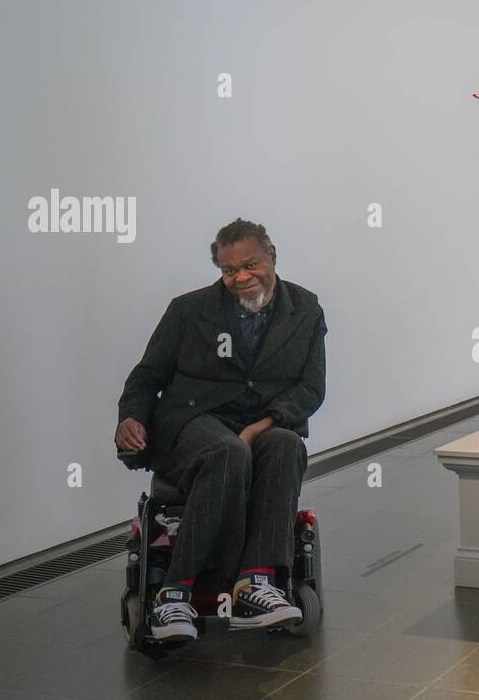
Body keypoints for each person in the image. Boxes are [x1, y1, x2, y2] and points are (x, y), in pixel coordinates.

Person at [114, 218, 327, 641]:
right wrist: (130, 418)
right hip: (193, 420)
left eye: (251, 265)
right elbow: (146, 377)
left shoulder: (305, 310)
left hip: (263, 420)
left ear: (272, 257)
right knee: (228, 451)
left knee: (284, 445)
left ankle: (257, 583)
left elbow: (310, 388)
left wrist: (260, 426)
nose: (242, 277)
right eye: (230, 271)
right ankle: (174, 594)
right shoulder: (188, 310)